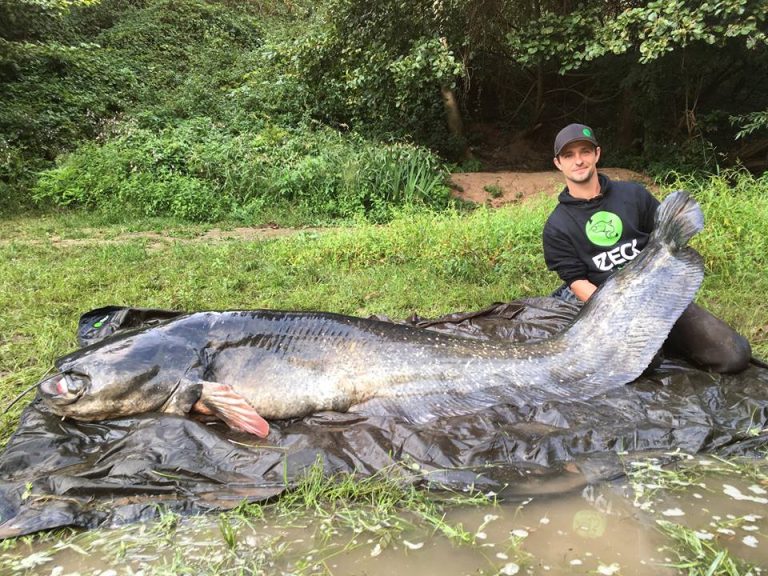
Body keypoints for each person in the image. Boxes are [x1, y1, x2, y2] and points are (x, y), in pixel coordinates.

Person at [543, 123, 751, 373]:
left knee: (734, 355)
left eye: (584, 152)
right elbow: (577, 282)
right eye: (569, 155)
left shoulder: (633, 195)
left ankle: (673, 337)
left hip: (657, 293)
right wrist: (622, 312)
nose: (578, 161)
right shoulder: (557, 226)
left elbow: (667, 240)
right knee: (645, 364)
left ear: (596, 154)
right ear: (558, 163)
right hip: (610, 311)